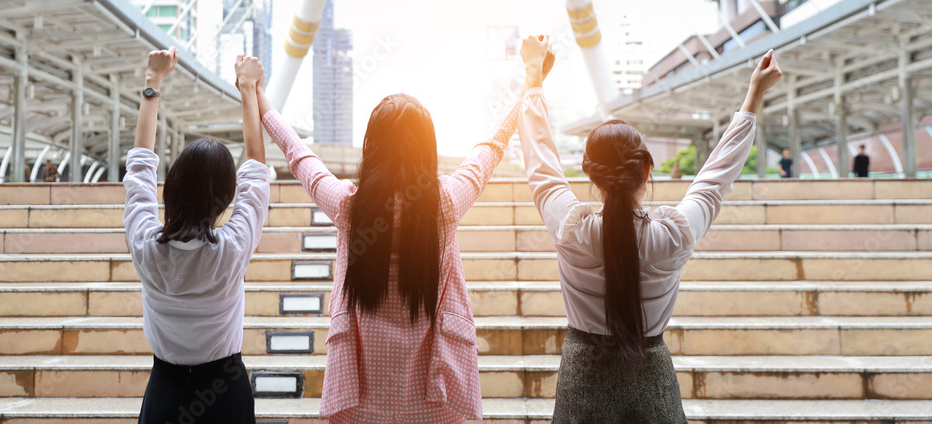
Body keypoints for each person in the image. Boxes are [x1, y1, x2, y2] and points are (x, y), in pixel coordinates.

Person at [517, 39, 782, 423]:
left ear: (590, 174)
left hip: (583, 375)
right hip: (651, 374)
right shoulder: (671, 237)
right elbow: (714, 180)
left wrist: (533, 75)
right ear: (645, 170)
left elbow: (539, 161)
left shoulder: (572, 230)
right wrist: (754, 94)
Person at [256, 73, 545, 423]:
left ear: (371, 147)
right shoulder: (446, 205)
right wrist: (531, 81)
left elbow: (299, 155)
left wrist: (258, 95)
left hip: (361, 401)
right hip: (434, 399)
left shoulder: (349, 207)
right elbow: (490, 150)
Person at [124, 47, 270, 424]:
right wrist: (248, 88)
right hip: (225, 393)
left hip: (165, 391)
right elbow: (255, 167)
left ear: (170, 189)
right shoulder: (232, 249)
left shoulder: (145, 246)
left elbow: (140, 167)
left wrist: (152, 81)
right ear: (224, 200)